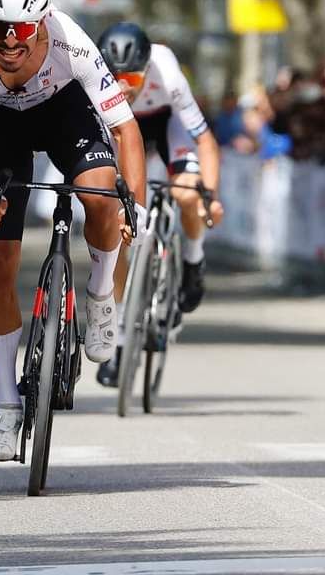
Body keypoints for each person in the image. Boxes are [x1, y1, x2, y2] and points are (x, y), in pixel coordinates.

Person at [0, 0, 147, 461]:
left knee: (100, 197)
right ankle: (7, 404)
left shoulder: (72, 41)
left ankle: (98, 295)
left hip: (62, 113)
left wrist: (132, 201)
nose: (10, 41)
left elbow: (125, 129)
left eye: (23, 30)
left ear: (42, 22)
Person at [92, 23, 225, 387]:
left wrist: (210, 194)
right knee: (113, 231)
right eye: (116, 76)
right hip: (119, 127)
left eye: (132, 77)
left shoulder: (167, 73)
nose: (124, 85)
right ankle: (117, 341)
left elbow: (206, 141)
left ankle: (193, 260)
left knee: (186, 195)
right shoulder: (91, 75)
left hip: (167, 125)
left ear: (147, 68)